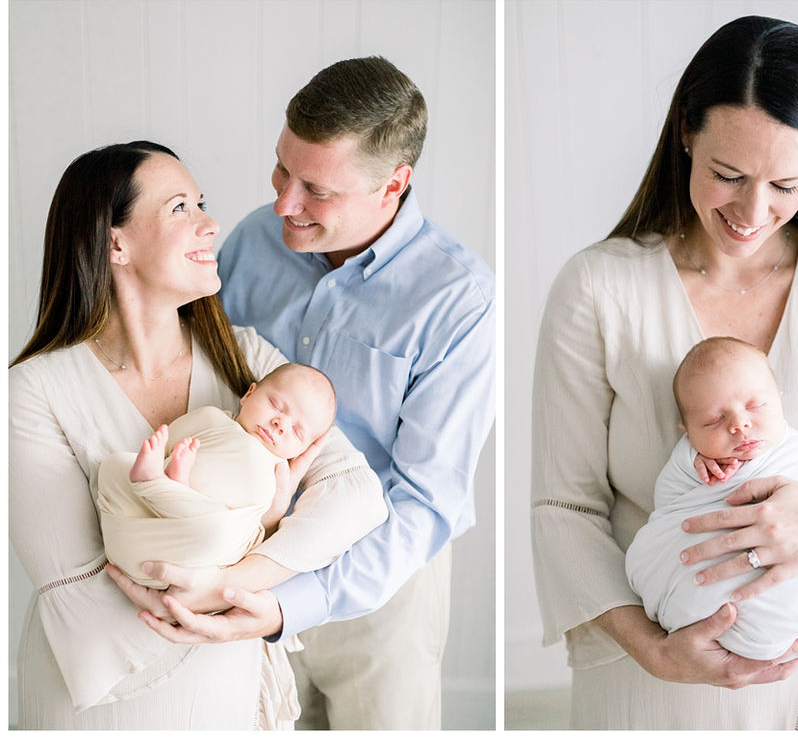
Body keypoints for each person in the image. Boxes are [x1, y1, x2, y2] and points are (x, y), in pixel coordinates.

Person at [531, 15, 798, 730]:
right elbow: (563, 510)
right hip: (649, 682)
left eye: (785, 183)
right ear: (686, 132)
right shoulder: (599, 290)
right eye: (729, 175)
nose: (753, 212)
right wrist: (655, 650)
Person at [113, 56, 496, 730]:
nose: (284, 202)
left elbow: (429, 497)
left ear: (393, 185)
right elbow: (192, 363)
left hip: (378, 589)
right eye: (282, 169)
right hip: (227, 558)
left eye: (316, 190)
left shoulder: (458, 298)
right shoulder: (256, 239)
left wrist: (291, 595)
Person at [9, 141, 385, 730]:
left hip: (229, 695)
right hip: (106, 706)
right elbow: (79, 582)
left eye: (203, 203)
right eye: (181, 206)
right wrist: (255, 549)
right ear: (116, 243)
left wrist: (235, 582)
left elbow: (358, 495)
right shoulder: (34, 390)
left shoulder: (244, 357)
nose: (211, 224)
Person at [625, 336, 798, 666]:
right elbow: (668, 508)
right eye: (713, 421)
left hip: (789, 613)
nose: (740, 424)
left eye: (755, 406)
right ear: (687, 430)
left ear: (779, 399)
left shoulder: (794, 454)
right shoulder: (689, 460)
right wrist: (690, 461)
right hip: (693, 619)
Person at [98, 362, 345, 589]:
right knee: (113, 466)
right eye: (277, 405)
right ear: (249, 394)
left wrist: (275, 514)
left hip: (182, 554)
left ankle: (165, 486)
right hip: (135, 527)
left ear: (300, 450)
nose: (281, 424)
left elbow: (255, 535)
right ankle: (165, 485)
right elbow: (165, 445)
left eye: (297, 431)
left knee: (219, 534)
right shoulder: (211, 419)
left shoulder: (278, 473)